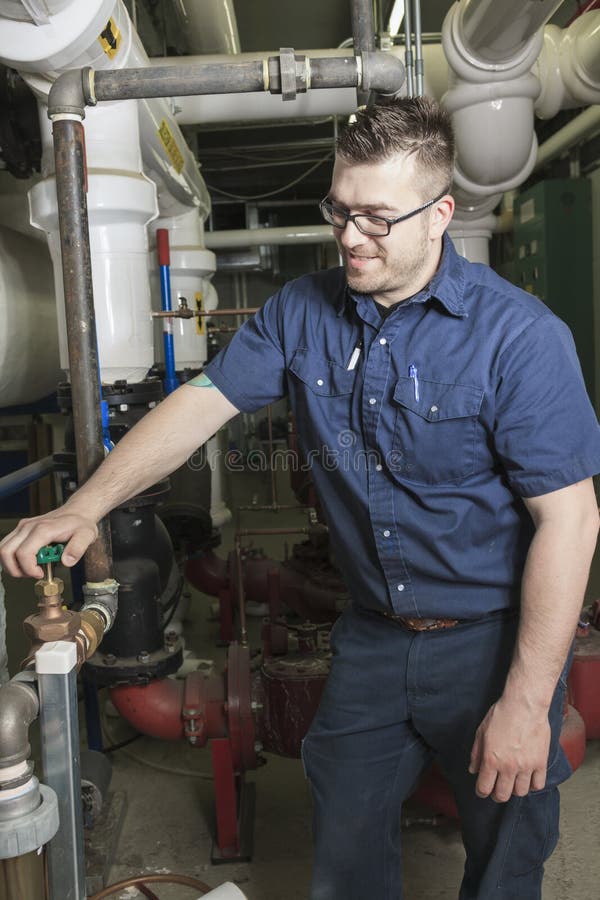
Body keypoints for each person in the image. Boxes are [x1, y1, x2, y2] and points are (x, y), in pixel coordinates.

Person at [1, 97, 599, 900]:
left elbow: (570, 519)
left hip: (492, 644)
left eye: (378, 218)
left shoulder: (519, 339)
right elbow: (199, 404)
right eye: (339, 209)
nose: (351, 236)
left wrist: (528, 703)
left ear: (440, 215)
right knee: (346, 846)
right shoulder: (299, 312)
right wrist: (88, 503)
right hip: (372, 637)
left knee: (505, 854)